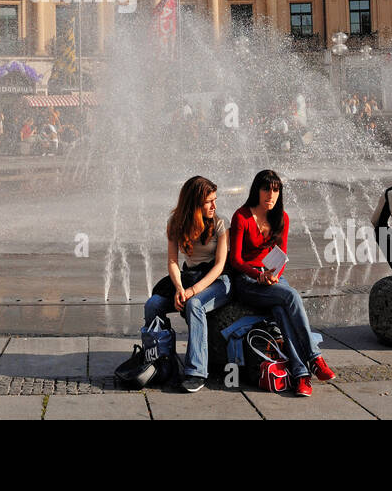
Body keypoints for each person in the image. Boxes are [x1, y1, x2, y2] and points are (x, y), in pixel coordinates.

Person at [228, 169, 336, 397]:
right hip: (248, 280)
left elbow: (282, 254)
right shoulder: (242, 216)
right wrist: (259, 275)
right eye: (266, 189)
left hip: (272, 278)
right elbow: (236, 260)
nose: (271, 195)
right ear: (256, 190)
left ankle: (301, 375)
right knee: (291, 296)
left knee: (281, 309)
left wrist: (275, 275)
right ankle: (315, 357)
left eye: (276, 190)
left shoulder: (282, 217)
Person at [142, 176, 232, 392]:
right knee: (153, 305)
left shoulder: (220, 224)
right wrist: (180, 288)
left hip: (218, 281)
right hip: (188, 278)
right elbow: (172, 261)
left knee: (195, 305)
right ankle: (161, 361)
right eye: (209, 201)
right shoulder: (175, 223)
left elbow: (220, 266)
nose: (214, 206)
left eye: (215, 200)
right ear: (194, 203)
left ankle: (196, 371)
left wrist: (192, 291)